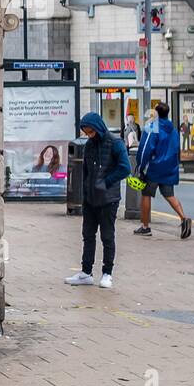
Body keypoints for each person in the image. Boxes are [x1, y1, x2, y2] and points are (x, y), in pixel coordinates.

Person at [66, 112, 131, 288]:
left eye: (91, 132)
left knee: (107, 237)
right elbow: (85, 170)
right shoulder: (89, 145)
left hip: (108, 199)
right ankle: (86, 272)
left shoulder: (115, 143)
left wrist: (106, 182)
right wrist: (86, 191)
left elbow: (125, 168)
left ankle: (107, 273)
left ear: (98, 128)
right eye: (86, 133)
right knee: (88, 235)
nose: (89, 136)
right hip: (91, 199)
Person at [134, 102, 191, 239]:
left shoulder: (152, 127)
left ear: (157, 113)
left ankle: (145, 227)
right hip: (169, 167)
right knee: (169, 195)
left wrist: (140, 167)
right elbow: (176, 148)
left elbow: (145, 149)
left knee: (146, 194)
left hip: (153, 168)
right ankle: (184, 218)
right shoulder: (173, 130)